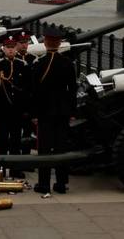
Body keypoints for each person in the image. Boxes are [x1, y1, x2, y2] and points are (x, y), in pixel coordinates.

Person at [30, 29, 78, 196]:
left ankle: (44, 184)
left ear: (45, 43)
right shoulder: (67, 63)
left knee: (44, 148)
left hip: (44, 111)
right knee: (61, 147)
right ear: (59, 44)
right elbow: (73, 89)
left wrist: (34, 113)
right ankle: (61, 183)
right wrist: (72, 111)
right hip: (62, 111)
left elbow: (34, 91)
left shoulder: (39, 63)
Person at [0, 37, 29, 167]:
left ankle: (15, 168)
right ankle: (0, 168)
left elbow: (26, 88)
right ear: (4, 49)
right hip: (2, 109)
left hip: (17, 109)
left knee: (15, 140)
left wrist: (25, 109)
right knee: (1, 140)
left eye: (13, 47)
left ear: (16, 49)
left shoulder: (22, 65)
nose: (11, 50)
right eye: (8, 48)